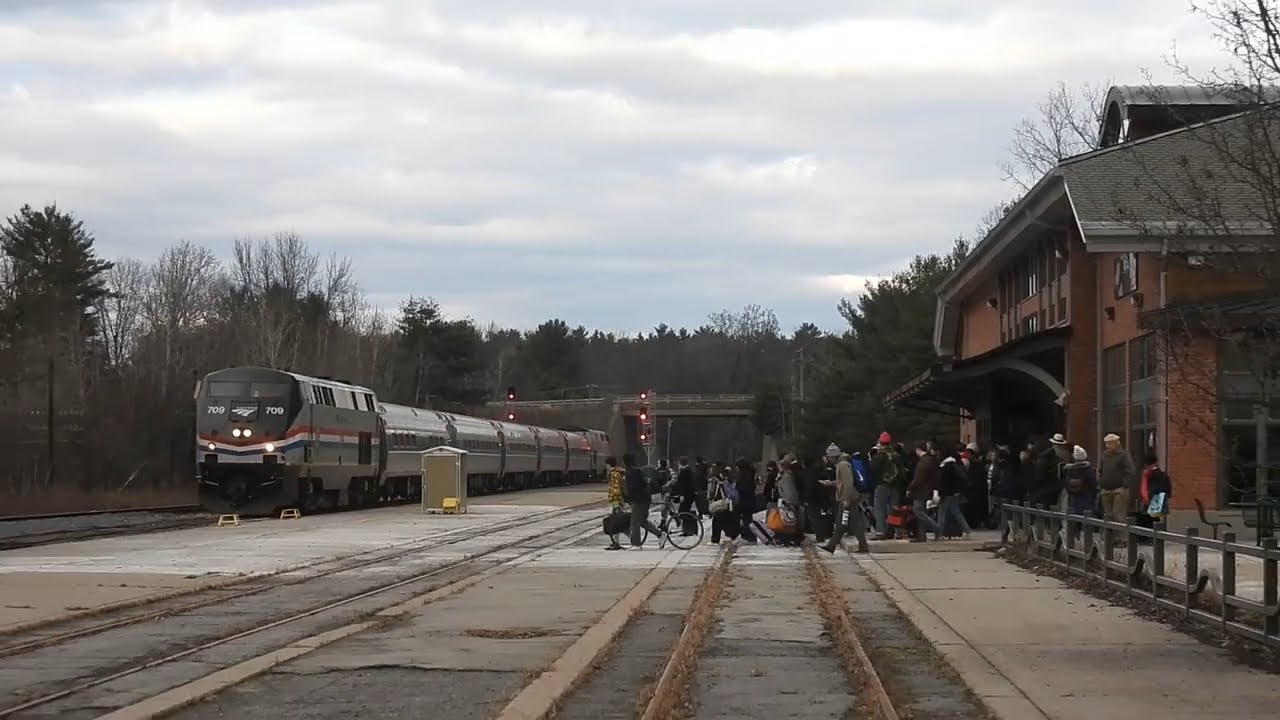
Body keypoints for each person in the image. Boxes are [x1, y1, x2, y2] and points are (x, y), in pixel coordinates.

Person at [823, 452, 869, 553]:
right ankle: (831, 545)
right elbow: (843, 482)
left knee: (852, 523)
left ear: (832, 456)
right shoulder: (843, 464)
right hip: (847, 498)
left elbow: (848, 483)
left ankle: (863, 545)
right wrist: (831, 483)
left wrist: (846, 498)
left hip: (848, 498)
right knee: (842, 523)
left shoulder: (842, 465)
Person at [623, 453, 662, 547]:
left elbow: (632, 488)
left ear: (625, 462)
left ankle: (636, 544)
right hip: (645, 499)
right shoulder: (639, 471)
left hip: (638, 500)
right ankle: (660, 534)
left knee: (635, 522)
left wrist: (627, 498)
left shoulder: (630, 472)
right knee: (642, 521)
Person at [907, 442, 943, 542]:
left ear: (918, 450)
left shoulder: (923, 462)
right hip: (926, 489)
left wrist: (910, 488)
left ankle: (937, 528)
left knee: (918, 511)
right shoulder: (930, 460)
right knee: (922, 512)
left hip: (920, 490)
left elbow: (918, 478)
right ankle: (921, 535)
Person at [1097, 433, 1137, 522]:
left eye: (1110, 443)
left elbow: (1130, 471)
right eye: (1107, 444)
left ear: (1117, 443)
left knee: (1118, 515)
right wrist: (1101, 482)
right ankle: (1109, 536)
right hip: (1106, 489)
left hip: (1119, 489)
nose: (1108, 446)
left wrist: (1124, 484)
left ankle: (1120, 535)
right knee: (1108, 516)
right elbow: (1100, 470)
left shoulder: (1123, 455)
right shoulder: (1104, 455)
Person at [604, 456, 625, 550]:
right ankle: (616, 542)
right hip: (618, 500)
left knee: (615, 522)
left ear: (608, 464)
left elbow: (616, 488)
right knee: (616, 522)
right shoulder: (618, 472)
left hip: (616, 500)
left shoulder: (614, 474)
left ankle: (617, 542)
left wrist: (615, 503)